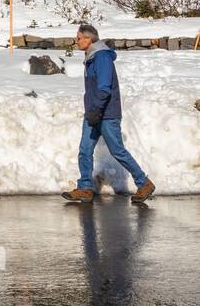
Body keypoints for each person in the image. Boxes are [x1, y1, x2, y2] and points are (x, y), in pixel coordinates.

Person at [62, 24, 155, 203]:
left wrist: (96, 110)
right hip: (94, 112)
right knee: (85, 150)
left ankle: (144, 183)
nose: (76, 41)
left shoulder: (102, 57)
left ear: (89, 39)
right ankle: (85, 188)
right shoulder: (91, 57)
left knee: (117, 151)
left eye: (79, 37)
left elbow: (104, 89)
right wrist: (92, 111)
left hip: (106, 114)